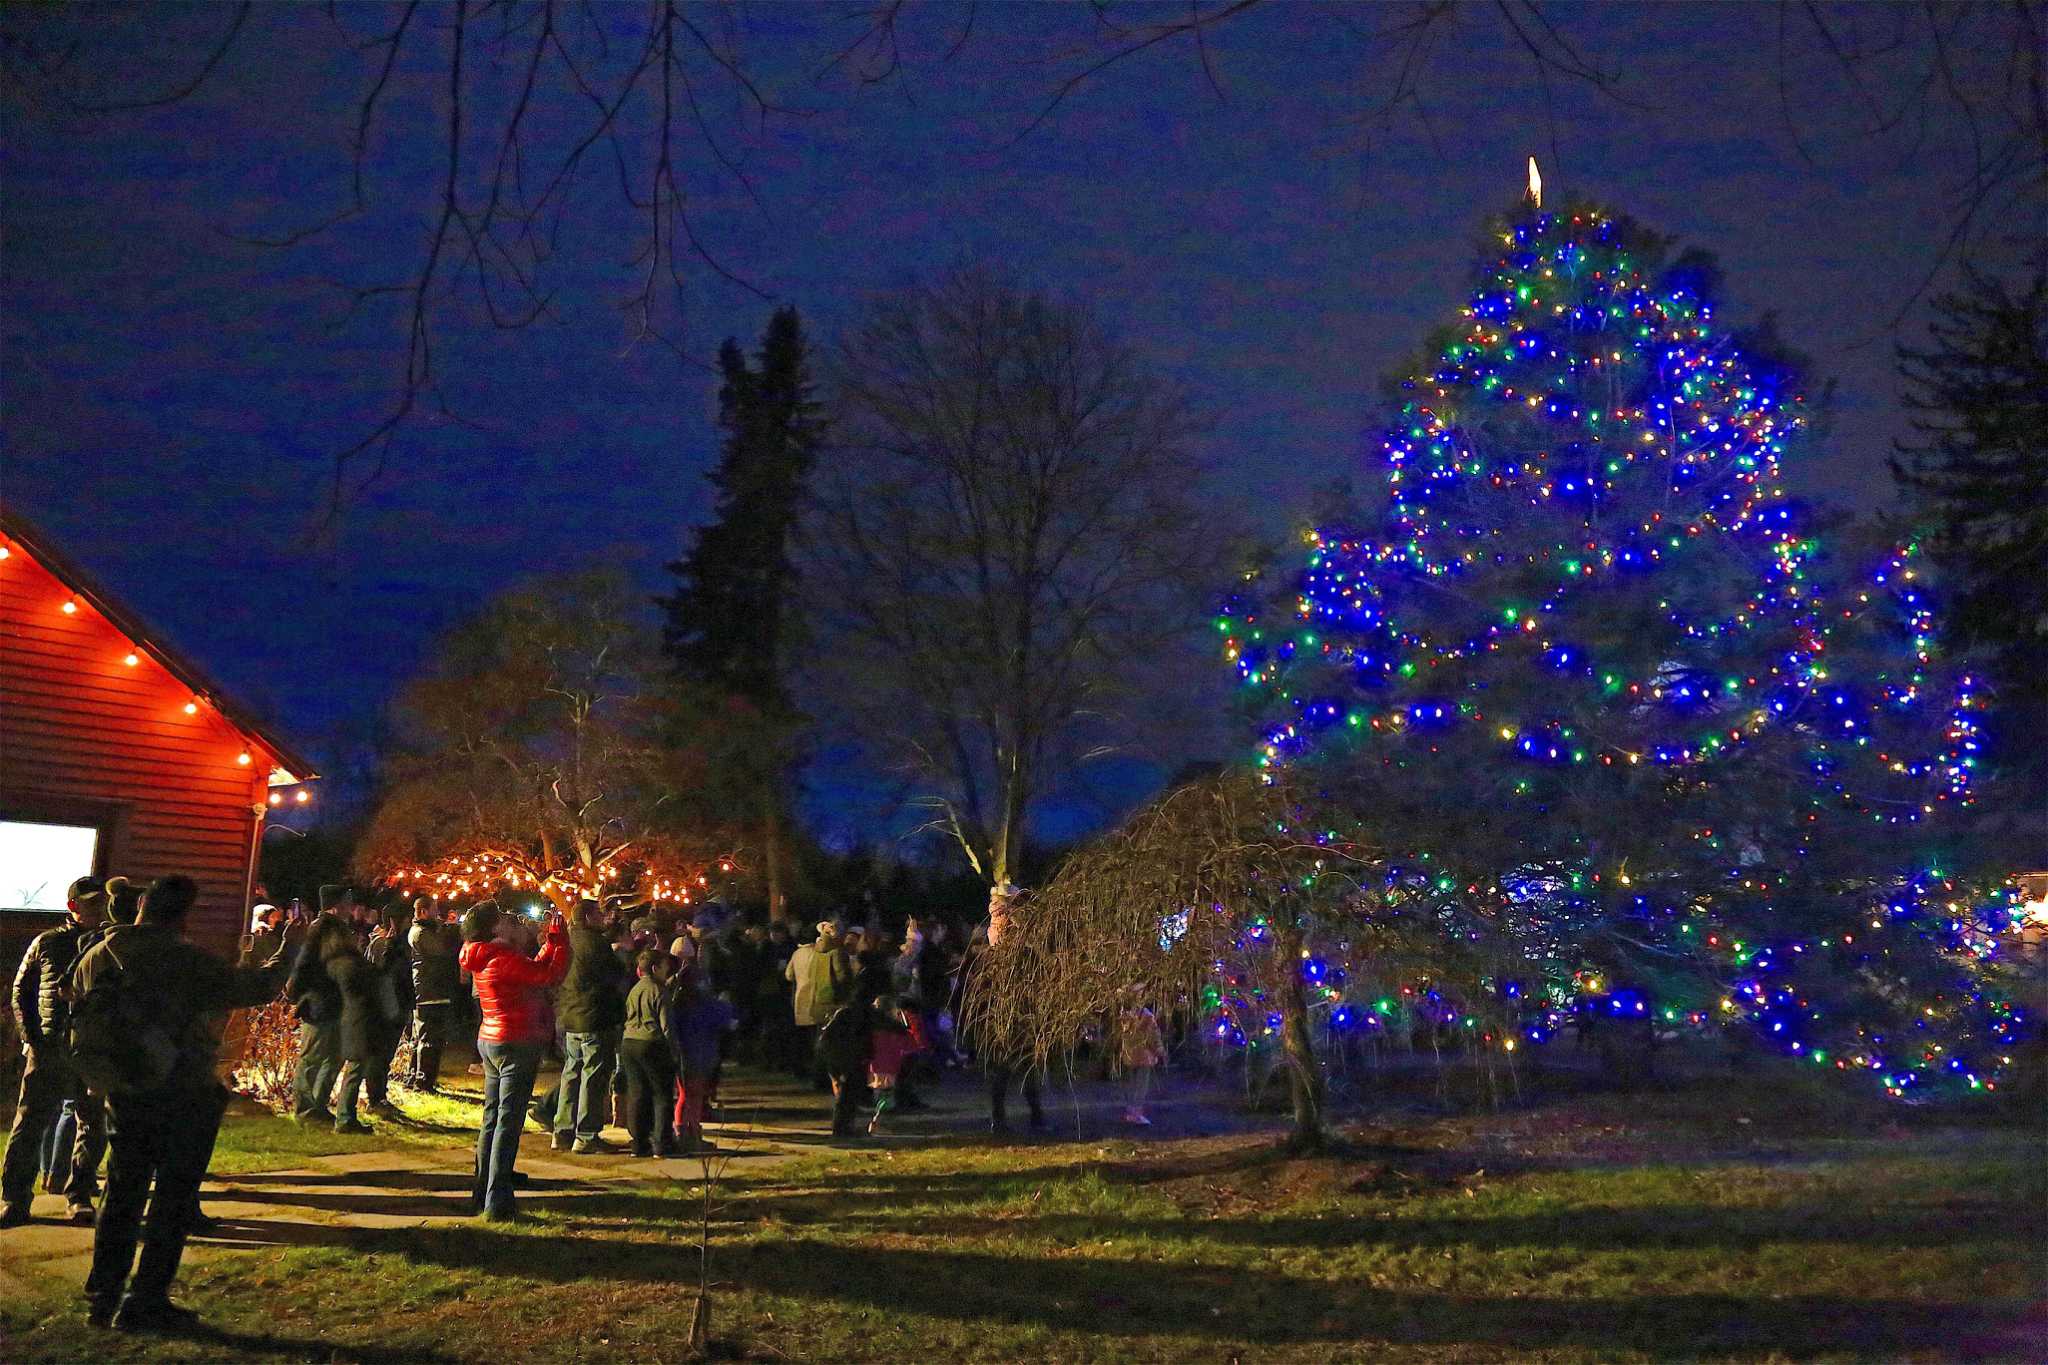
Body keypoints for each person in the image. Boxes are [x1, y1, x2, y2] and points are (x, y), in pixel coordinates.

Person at [71, 875, 295, 1332]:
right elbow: (252, 989)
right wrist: (287, 952)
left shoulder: (94, 956)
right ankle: (146, 1299)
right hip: (182, 1089)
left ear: (140, 908)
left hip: (124, 1088)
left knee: (122, 1191)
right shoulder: (181, 958)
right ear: (183, 914)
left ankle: (103, 1293)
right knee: (172, 1198)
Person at [3, 876, 109, 1227]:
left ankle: (78, 1195)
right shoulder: (46, 942)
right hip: (48, 1049)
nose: (97, 908)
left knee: (92, 1125)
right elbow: (22, 991)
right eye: (90, 902)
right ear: (73, 906)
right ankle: (15, 1200)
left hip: (91, 1051)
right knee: (28, 1125)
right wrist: (31, 1038)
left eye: (100, 902)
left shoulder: (110, 943)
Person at [458, 900, 569, 1220]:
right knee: (507, 1121)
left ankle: (484, 1190)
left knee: (493, 1118)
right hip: (514, 1040)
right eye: (504, 918)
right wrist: (558, 943)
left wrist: (548, 945)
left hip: (493, 1038)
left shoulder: (487, 956)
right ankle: (498, 1201)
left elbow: (533, 972)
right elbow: (548, 975)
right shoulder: (501, 957)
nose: (511, 920)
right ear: (495, 929)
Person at [554, 900, 625, 1154]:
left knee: (571, 1073)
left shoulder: (568, 940)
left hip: (570, 1016)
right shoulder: (595, 943)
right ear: (588, 916)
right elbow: (614, 974)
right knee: (593, 1077)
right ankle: (586, 1134)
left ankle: (562, 1130)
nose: (603, 918)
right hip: (593, 1016)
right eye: (599, 914)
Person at [285, 893, 348, 1123]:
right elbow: (303, 964)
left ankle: (318, 1105)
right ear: (336, 906)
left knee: (334, 1055)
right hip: (319, 1002)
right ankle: (305, 1108)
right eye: (346, 903)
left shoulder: (337, 929)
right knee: (313, 1057)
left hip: (334, 1001)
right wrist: (298, 994)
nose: (350, 908)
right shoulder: (321, 929)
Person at [664, 967, 734, 1154]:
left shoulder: (677, 1003)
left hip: (683, 1055)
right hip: (700, 1055)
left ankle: (683, 1131)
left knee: (685, 1095)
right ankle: (692, 1134)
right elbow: (724, 1018)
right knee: (694, 1097)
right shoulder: (704, 1005)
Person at [322, 918, 380, 1134]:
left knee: (349, 1067)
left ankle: (342, 1114)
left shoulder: (333, 962)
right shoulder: (350, 964)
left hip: (349, 1017)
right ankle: (345, 1118)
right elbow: (370, 982)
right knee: (356, 1068)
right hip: (360, 1018)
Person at [619, 950, 677, 1158]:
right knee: (661, 1095)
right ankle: (662, 1143)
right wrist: (674, 1053)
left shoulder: (634, 990)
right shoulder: (659, 991)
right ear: (655, 969)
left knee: (637, 1094)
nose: (667, 971)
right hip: (651, 1043)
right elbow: (666, 1025)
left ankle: (639, 1144)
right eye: (664, 967)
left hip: (629, 1042)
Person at [785, 921, 853, 1090]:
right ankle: (825, 1079)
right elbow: (842, 977)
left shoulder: (814, 953)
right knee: (829, 1045)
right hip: (830, 1004)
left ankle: (818, 1078)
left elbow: (789, 975)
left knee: (817, 1042)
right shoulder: (836, 953)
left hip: (812, 1003)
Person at [406, 897, 461, 1090]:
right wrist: (450, 930)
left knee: (425, 1037)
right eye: (433, 910)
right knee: (429, 1039)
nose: (437, 914)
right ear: (422, 911)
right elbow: (442, 951)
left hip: (433, 990)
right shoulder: (421, 933)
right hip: (429, 991)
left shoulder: (426, 931)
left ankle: (416, 1076)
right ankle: (423, 1081)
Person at [363, 908, 413, 1111]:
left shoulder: (401, 944)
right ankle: (375, 1099)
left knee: (386, 1054)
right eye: (408, 919)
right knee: (380, 1054)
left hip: (398, 1004)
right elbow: (380, 973)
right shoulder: (382, 944)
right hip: (386, 1006)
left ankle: (380, 1096)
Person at [865, 994, 927, 1135]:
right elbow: (911, 1044)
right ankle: (877, 1123)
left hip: (874, 1068)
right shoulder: (895, 1029)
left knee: (880, 1096)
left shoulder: (872, 1028)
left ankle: (877, 1123)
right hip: (889, 1067)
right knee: (887, 1099)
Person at [1118, 998, 1166, 1126]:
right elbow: (1153, 1036)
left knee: (1132, 1085)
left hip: (1130, 1055)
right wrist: (1159, 1051)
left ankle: (1130, 1112)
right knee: (1141, 1087)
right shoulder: (1147, 1016)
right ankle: (1136, 1115)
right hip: (1144, 1056)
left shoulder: (1124, 1016)